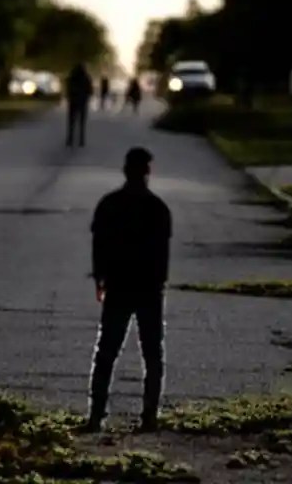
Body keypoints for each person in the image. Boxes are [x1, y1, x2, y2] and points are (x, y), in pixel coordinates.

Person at [85, 147, 172, 432]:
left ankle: (96, 415)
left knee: (107, 351)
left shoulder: (109, 205)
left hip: (119, 285)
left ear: (125, 171)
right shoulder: (158, 208)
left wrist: (101, 279)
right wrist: (159, 284)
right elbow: (162, 255)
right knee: (152, 353)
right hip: (148, 288)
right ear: (148, 172)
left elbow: (99, 247)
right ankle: (149, 415)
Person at [66, 63, 93, 147]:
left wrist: (70, 97)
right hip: (82, 102)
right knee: (82, 122)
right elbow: (90, 90)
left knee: (71, 122)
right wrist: (86, 97)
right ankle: (81, 140)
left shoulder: (72, 77)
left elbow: (68, 88)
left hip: (73, 102)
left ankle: (70, 139)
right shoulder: (86, 78)